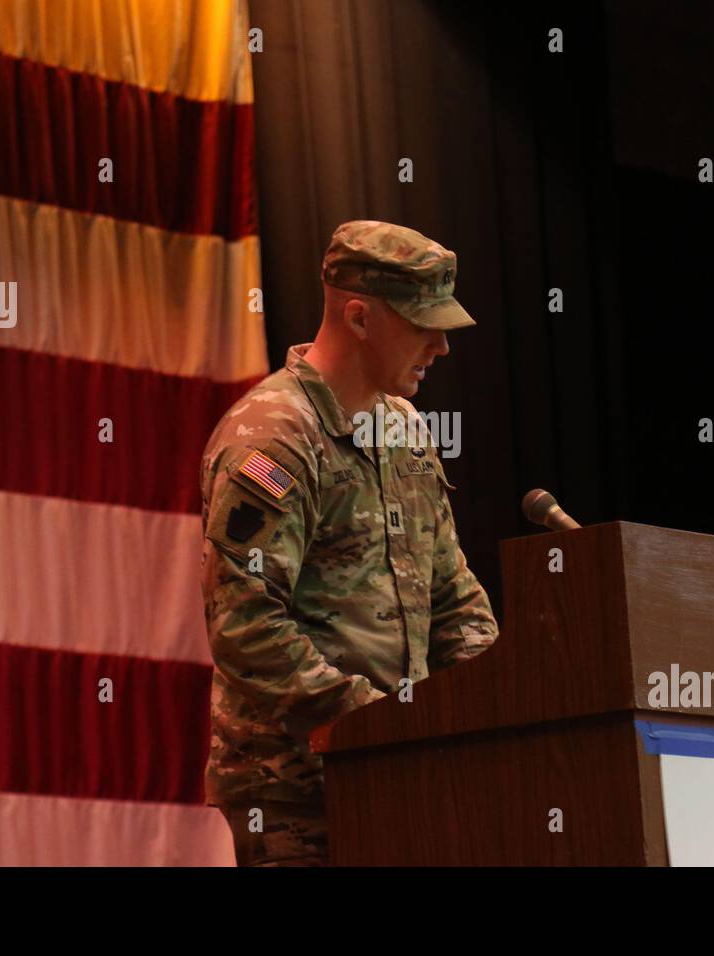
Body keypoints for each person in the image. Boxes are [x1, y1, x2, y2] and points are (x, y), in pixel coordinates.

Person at [200, 220, 499, 866]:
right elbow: (246, 624)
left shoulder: (407, 428)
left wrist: (499, 708)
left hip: (403, 776)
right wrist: (377, 725)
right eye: (425, 324)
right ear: (360, 318)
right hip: (298, 792)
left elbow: (450, 595)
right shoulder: (274, 436)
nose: (442, 347)